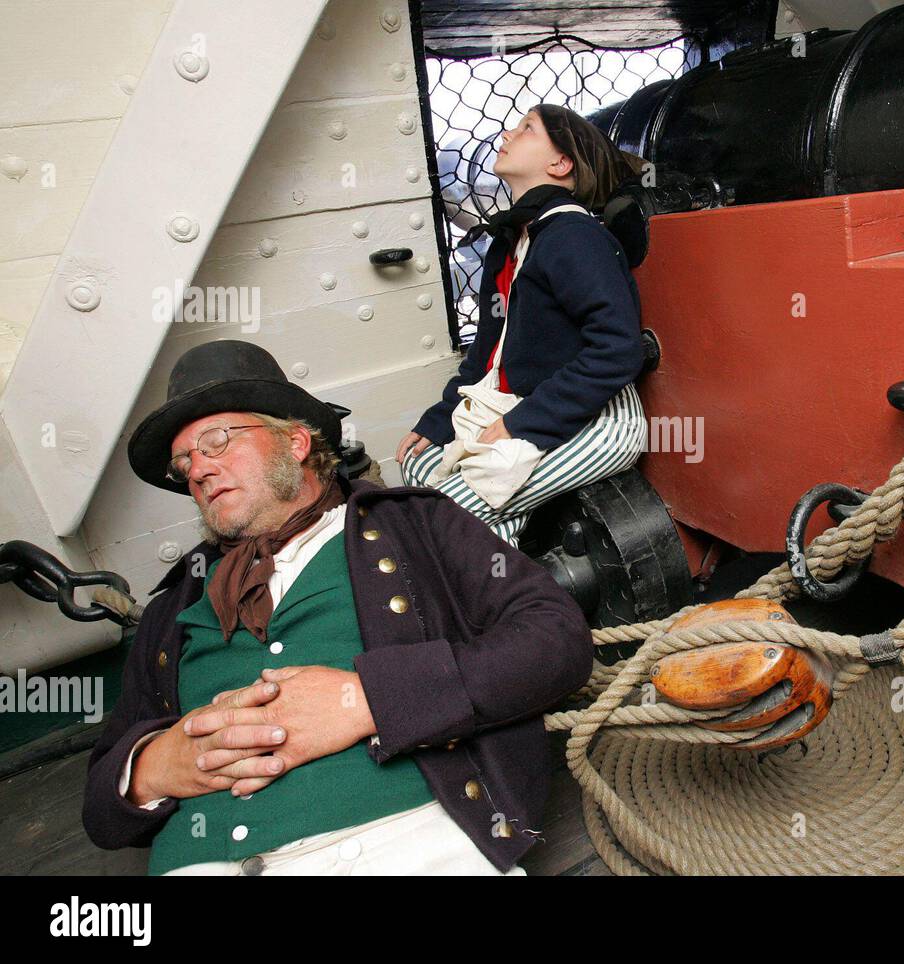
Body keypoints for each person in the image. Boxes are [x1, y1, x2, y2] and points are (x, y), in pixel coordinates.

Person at [82, 340, 593, 875]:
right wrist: (150, 770)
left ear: (296, 441)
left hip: (408, 843)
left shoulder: (416, 523)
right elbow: (100, 807)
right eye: (184, 461)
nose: (198, 472)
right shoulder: (175, 601)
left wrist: (364, 700)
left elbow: (555, 640)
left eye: (216, 442)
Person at [397, 104, 649, 547]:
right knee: (418, 465)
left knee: (440, 513)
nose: (509, 134)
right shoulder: (517, 240)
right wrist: (440, 418)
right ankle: (511, 576)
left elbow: (617, 350)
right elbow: (486, 352)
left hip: (600, 419)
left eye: (527, 128)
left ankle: (503, 591)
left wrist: (524, 422)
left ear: (560, 163)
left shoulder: (573, 236)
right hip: (519, 400)